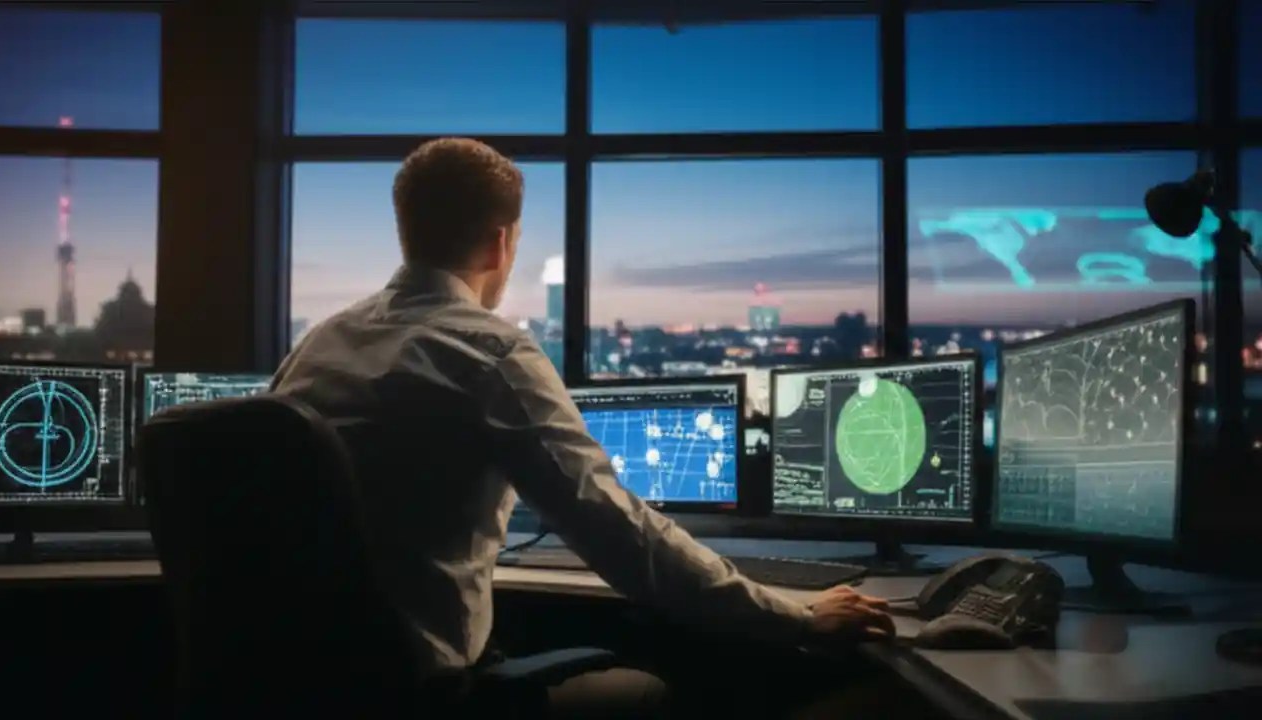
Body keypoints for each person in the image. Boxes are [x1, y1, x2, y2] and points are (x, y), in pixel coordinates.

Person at [272, 137, 895, 717]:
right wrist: (798, 618)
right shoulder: (488, 352)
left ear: (405, 230)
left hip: (293, 684)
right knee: (652, 692)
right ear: (500, 244)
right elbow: (624, 538)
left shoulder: (317, 345)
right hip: (426, 695)